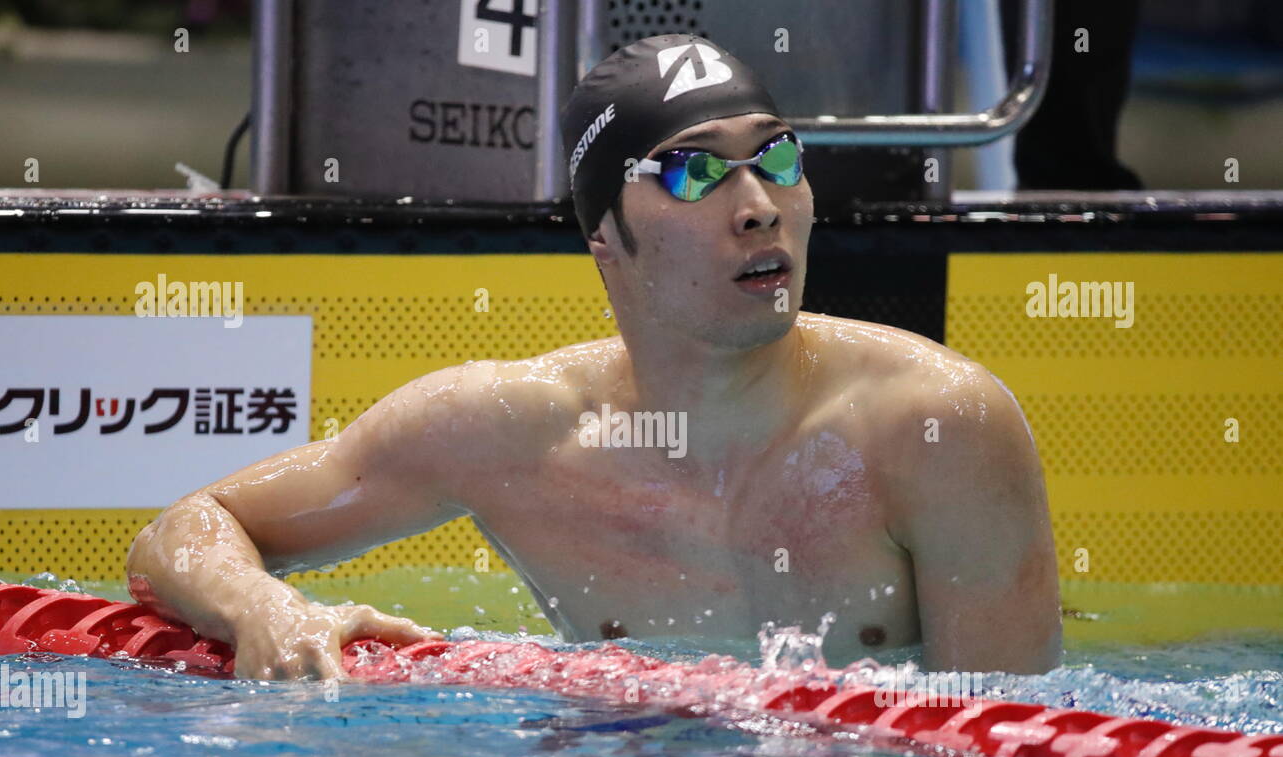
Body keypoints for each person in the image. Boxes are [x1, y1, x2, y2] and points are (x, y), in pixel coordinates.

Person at [126, 34, 1062, 681]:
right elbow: (186, 530)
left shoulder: (937, 427)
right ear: (605, 238)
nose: (758, 205)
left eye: (776, 158)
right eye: (694, 170)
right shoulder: (505, 433)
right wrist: (265, 610)